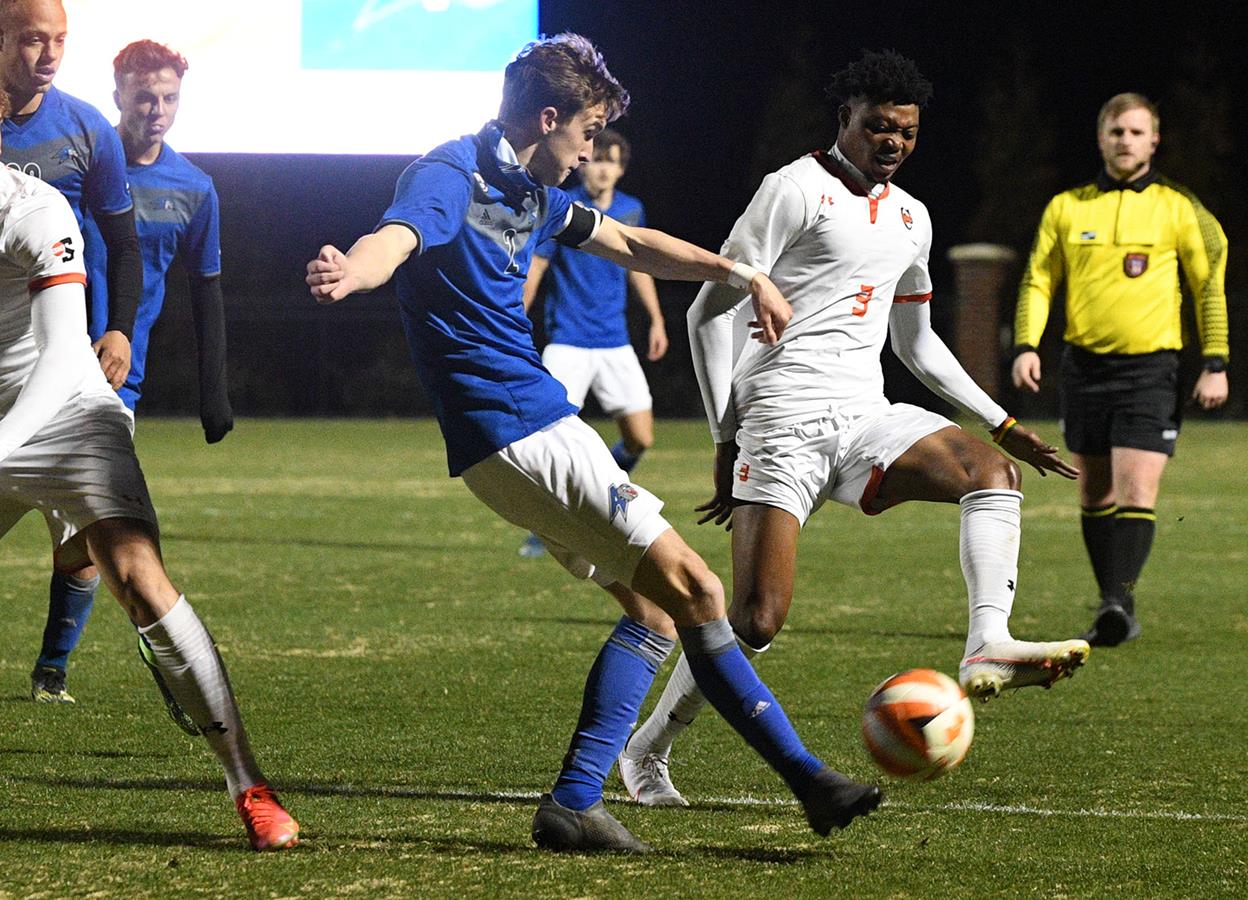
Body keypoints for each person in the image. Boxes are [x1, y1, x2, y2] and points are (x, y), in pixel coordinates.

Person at [304, 33, 879, 854]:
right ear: (549, 117)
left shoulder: (531, 192)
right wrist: (354, 271)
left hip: (513, 438)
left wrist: (743, 273)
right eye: (587, 130)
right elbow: (397, 236)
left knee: (653, 611)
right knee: (697, 587)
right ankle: (808, 780)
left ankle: (575, 802)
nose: (590, 150)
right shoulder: (449, 174)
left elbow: (632, 244)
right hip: (523, 430)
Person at [619, 49, 1087, 808]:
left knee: (988, 474)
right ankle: (648, 749)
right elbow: (709, 310)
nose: (893, 142)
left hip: (866, 413)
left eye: (905, 131)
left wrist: (999, 423)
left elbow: (917, 343)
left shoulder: (912, 216)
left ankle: (987, 640)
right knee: (757, 619)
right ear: (845, 121)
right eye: (877, 128)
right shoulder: (793, 189)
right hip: (779, 416)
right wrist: (725, 434)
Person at [0, 91, 298, 851]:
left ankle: (248, 786)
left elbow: (64, 358)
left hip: (65, 407)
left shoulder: (35, 210)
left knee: (134, 572)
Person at [1010, 92, 1230, 647]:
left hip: (1152, 370)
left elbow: (1209, 285)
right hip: (1084, 369)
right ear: (1101, 137)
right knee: (1093, 494)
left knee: (1138, 489)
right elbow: (1039, 279)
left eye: (1136, 132)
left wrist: (1216, 362)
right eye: (1116, 132)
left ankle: (1116, 601)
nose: (1125, 141)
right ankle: (1115, 602)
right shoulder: (1067, 207)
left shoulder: (1180, 207)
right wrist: (1026, 345)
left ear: (1154, 140)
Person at [1, 0, 145, 703]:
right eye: (32, 38)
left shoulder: (88, 128)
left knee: (82, 535)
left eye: (59, 39)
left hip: (58, 361)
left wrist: (118, 328)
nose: (49, 53)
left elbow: (123, 245)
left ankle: (52, 669)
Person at [517, 129, 664, 558]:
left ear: (621, 168)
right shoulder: (565, 207)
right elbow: (537, 268)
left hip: (615, 343)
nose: (602, 167)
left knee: (640, 438)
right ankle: (547, 529)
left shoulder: (631, 210)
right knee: (554, 444)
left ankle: (598, 503)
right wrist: (515, 319)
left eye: (612, 161)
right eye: (597, 158)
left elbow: (639, 266)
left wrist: (656, 319)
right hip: (568, 342)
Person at [110, 40, 232, 433]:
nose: (158, 111)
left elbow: (206, 293)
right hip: (38, 358)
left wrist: (214, 393)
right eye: (145, 98)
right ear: (119, 97)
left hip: (119, 375)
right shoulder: (84, 164)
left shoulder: (193, 188)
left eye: (170, 98)